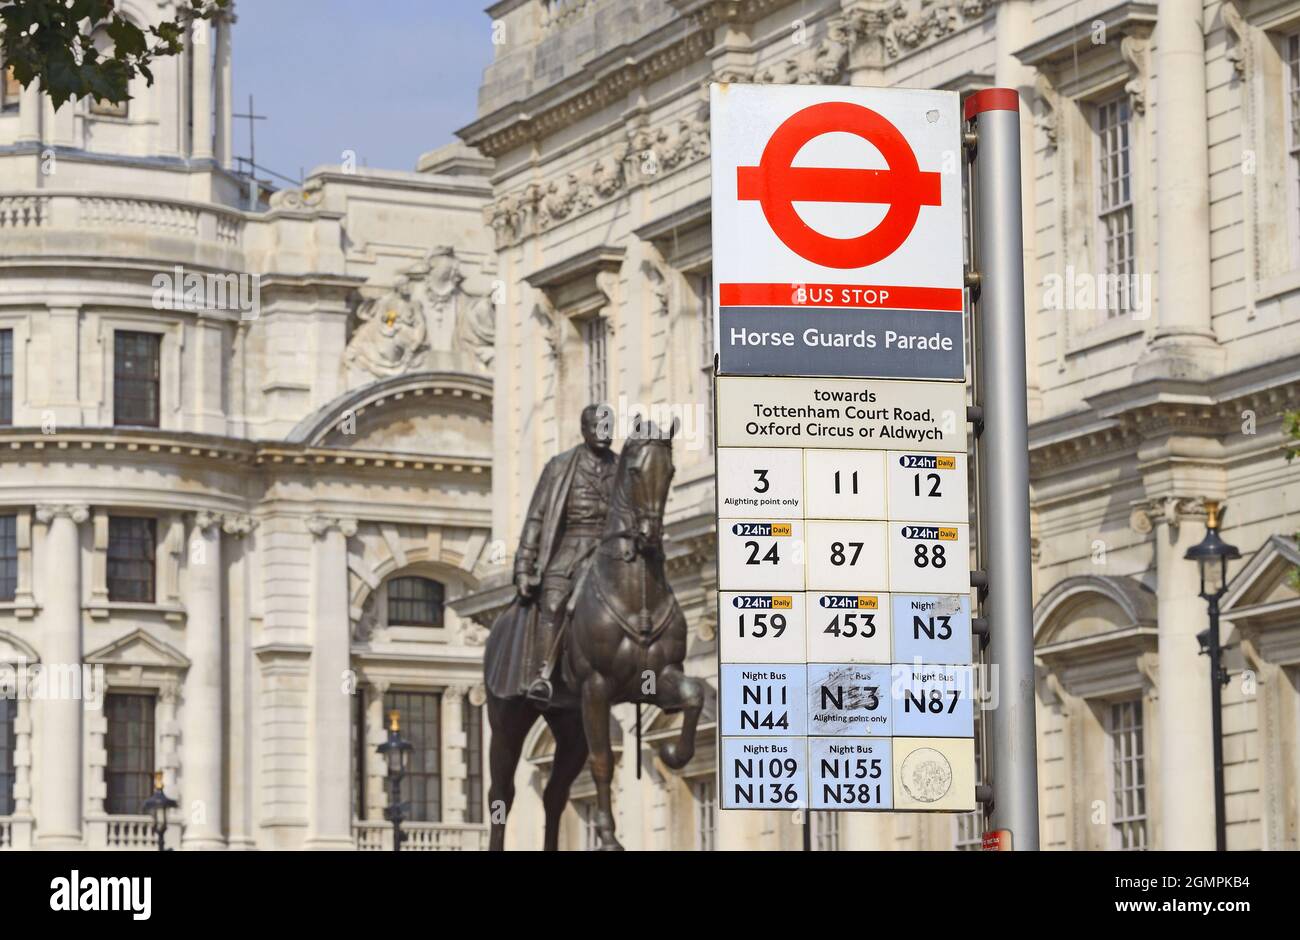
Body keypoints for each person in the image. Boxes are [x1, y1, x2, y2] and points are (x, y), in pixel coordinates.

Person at [512, 403, 617, 704]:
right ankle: (543, 675)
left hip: (611, 546)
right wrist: (523, 566)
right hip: (573, 544)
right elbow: (536, 517)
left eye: (607, 426)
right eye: (597, 426)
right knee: (555, 601)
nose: (603, 432)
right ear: (584, 430)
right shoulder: (560, 466)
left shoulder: (623, 467)